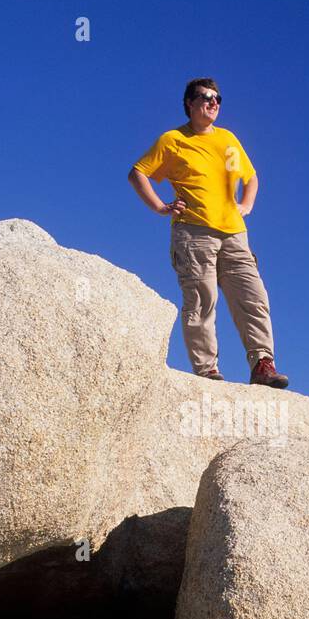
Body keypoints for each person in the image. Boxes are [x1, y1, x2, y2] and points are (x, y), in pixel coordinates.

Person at [128, 77, 289, 388]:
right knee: (202, 301)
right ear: (190, 104)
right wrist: (161, 207)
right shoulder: (173, 140)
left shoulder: (228, 139)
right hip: (193, 233)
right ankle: (207, 371)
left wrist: (246, 203)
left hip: (234, 234)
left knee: (253, 298)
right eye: (205, 97)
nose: (213, 103)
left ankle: (262, 364)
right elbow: (138, 173)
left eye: (217, 98)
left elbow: (251, 175)